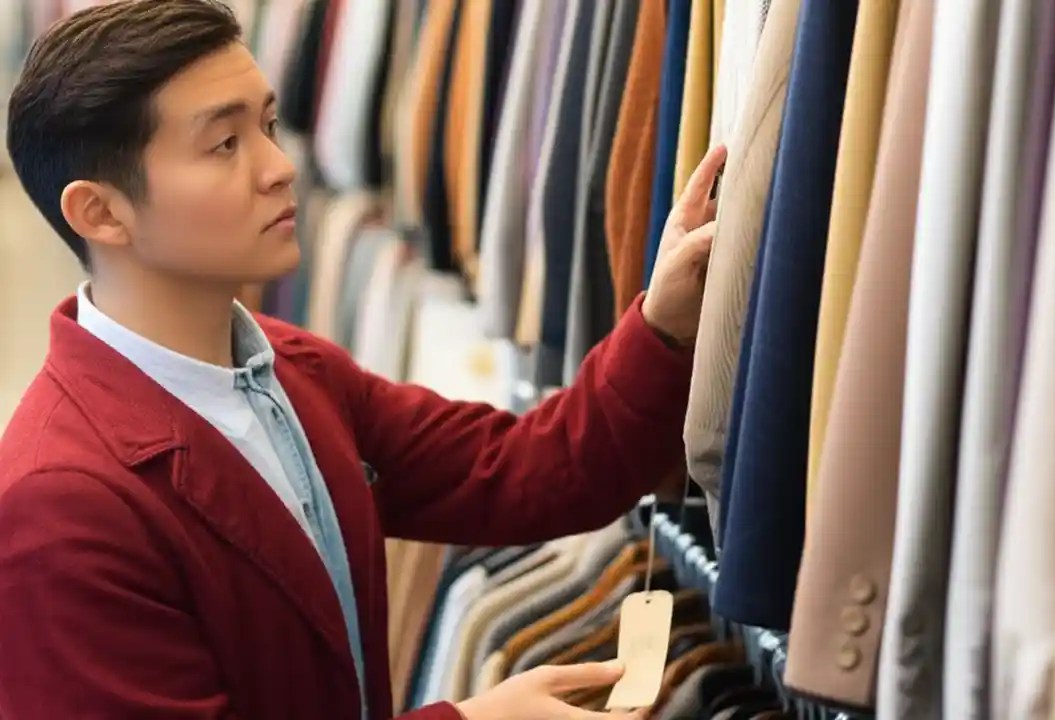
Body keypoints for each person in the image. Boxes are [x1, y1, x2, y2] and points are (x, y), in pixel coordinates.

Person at [0, 2, 726, 719]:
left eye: (269, 126)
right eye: (225, 144)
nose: (280, 167)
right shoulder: (61, 504)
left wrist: (661, 325)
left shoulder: (291, 369)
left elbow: (529, 470)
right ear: (101, 213)